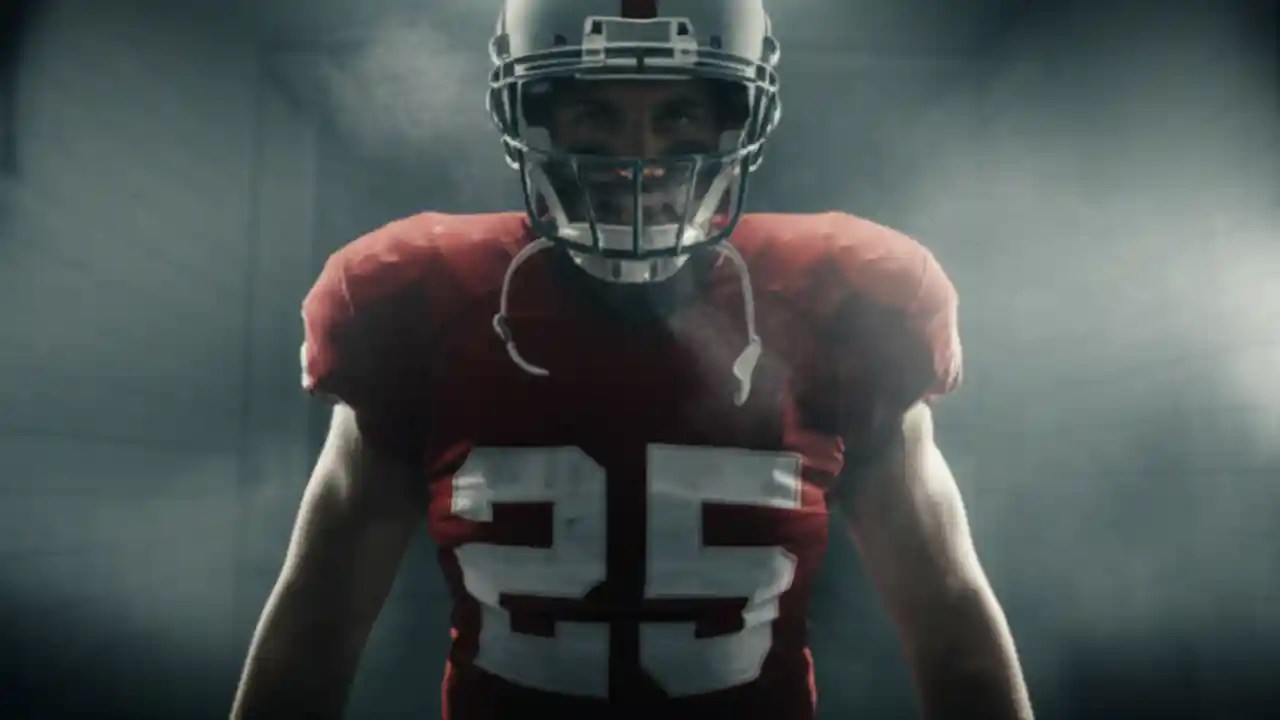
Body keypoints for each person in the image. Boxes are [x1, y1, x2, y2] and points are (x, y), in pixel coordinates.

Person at [232, 2, 1034, 718]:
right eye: (595, 115)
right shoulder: (416, 305)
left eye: (680, 115)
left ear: (738, 122)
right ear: (529, 119)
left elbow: (950, 623)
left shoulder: (844, 303)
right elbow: (316, 628)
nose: (639, 158)